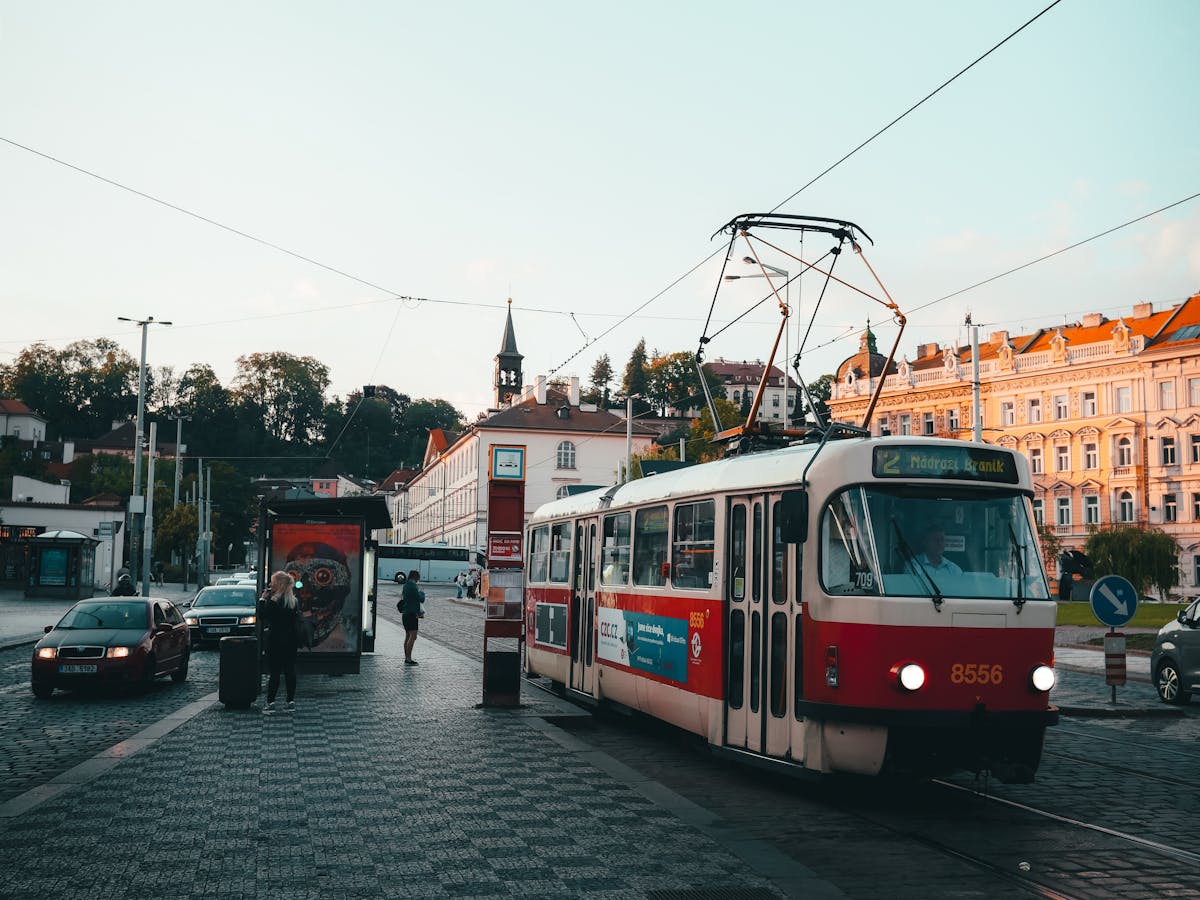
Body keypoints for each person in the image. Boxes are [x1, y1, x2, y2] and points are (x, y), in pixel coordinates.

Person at [259, 571, 302, 713]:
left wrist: (262, 599)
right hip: (291, 641)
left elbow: (262, 616)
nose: (271, 585)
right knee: (290, 671)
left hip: (275, 640)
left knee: (275, 672)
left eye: (273, 582)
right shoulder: (293, 601)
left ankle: (270, 702)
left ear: (278, 584)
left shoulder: (274, 601)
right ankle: (290, 701)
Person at [399, 569, 424, 665]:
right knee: (413, 636)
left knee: (408, 636)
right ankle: (408, 659)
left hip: (405, 614)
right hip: (412, 614)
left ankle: (407, 657)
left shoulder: (405, 585)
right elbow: (421, 599)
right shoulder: (414, 587)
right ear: (416, 577)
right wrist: (422, 592)